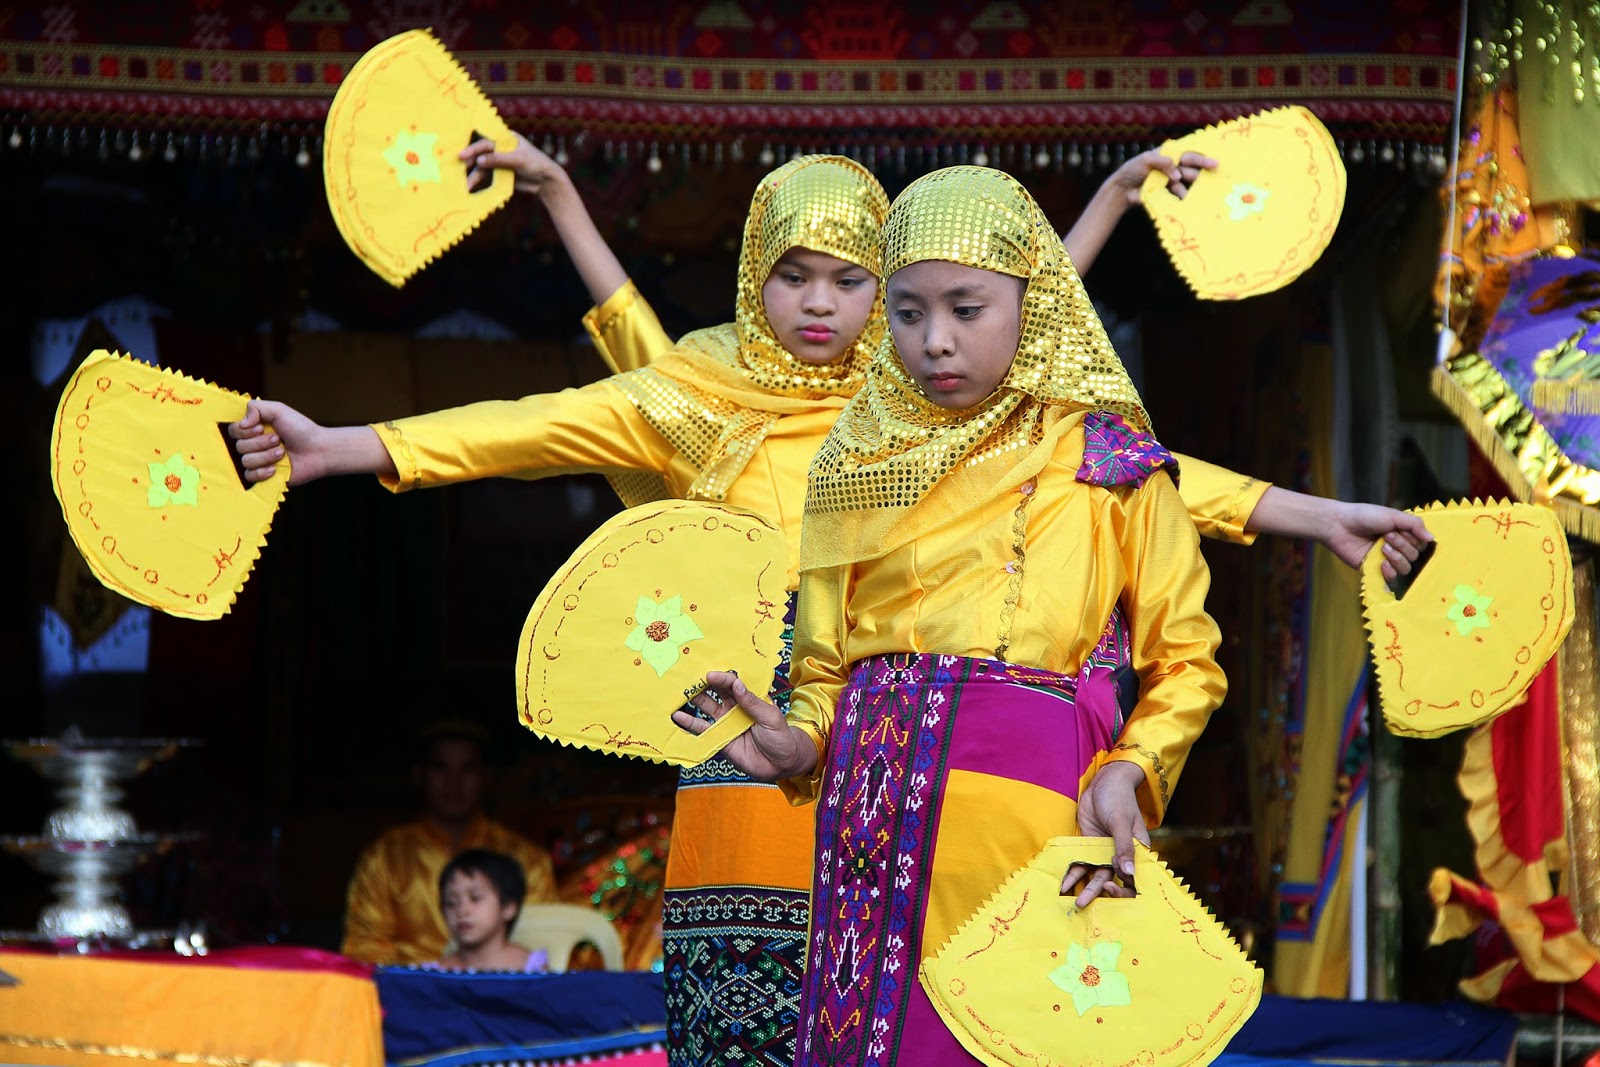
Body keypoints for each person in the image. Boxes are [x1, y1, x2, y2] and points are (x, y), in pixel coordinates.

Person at [238, 152, 1424, 1066]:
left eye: (853, 281)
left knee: (975, 1018)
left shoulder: (939, 405)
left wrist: (1306, 512)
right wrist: (344, 446)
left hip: (944, 774)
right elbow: (529, 423)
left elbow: (1107, 455)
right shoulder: (719, 403)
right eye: (793, 277)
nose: (827, 307)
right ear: (755, 279)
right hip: (780, 749)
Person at [674, 166, 1231, 1065]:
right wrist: (798, 744)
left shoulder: (1107, 461)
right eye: (907, 311)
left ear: (1033, 301)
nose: (935, 341)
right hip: (868, 815)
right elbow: (823, 670)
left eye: (967, 310)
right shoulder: (856, 463)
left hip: (1034, 809)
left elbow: (1189, 659)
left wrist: (1134, 766)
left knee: (1012, 1036)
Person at [341, 720, 557, 965]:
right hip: (413, 992)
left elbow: (543, 939)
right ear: (418, 775)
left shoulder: (526, 857)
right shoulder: (384, 856)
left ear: (487, 777)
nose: (453, 782)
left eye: (467, 769)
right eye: (440, 769)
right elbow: (363, 947)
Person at [434, 848, 550, 972]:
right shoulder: (436, 975)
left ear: (508, 907)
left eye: (475, 898)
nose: (462, 911)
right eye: (451, 903)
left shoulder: (530, 968)